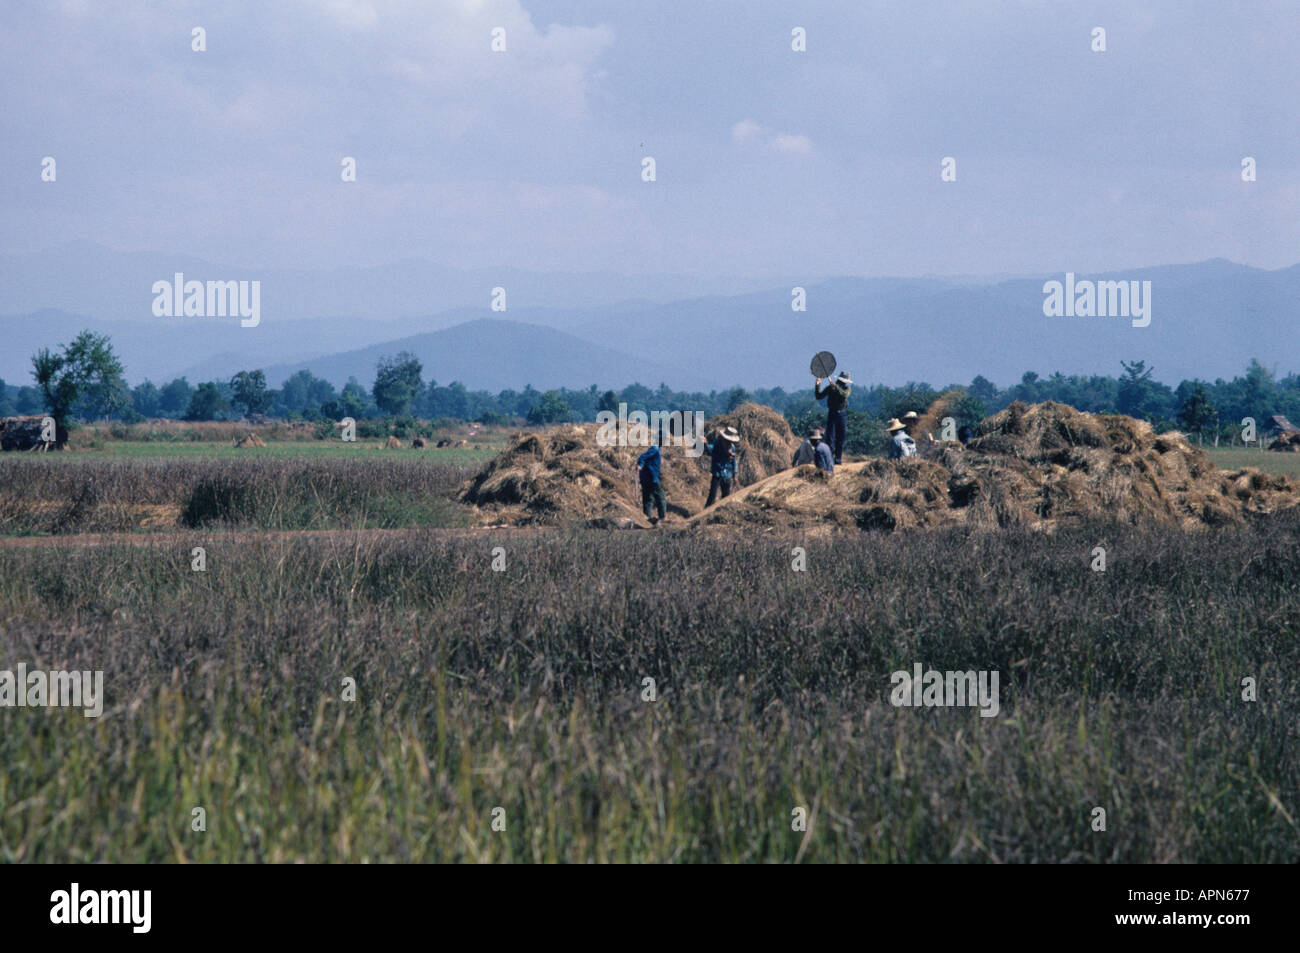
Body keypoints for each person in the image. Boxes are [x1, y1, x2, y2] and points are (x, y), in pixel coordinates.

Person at [814, 371, 852, 465]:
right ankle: (830, 458)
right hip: (832, 413)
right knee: (830, 437)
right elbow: (819, 396)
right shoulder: (831, 388)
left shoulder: (847, 389)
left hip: (842, 414)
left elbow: (843, 395)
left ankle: (838, 459)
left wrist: (836, 387)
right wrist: (818, 385)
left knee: (841, 437)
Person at [705, 426, 741, 506]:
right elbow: (710, 450)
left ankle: (722, 510)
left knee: (726, 496)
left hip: (727, 475)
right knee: (712, 495)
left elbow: (734, 462)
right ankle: (706, 511)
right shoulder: (717, 444)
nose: (728, 442)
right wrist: (705, 443)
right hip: (717, 473)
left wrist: (735, 475)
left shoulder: (731, 447)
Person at [636, 440, 666, 525]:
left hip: (645, 478)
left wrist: (640, 465)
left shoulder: (654, 449)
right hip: (651, 478)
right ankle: (662, 518)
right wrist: (640, 465)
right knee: (661, 497)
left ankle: (647, 518)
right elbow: (643, 457)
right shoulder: (655, 449)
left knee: (648, 498)